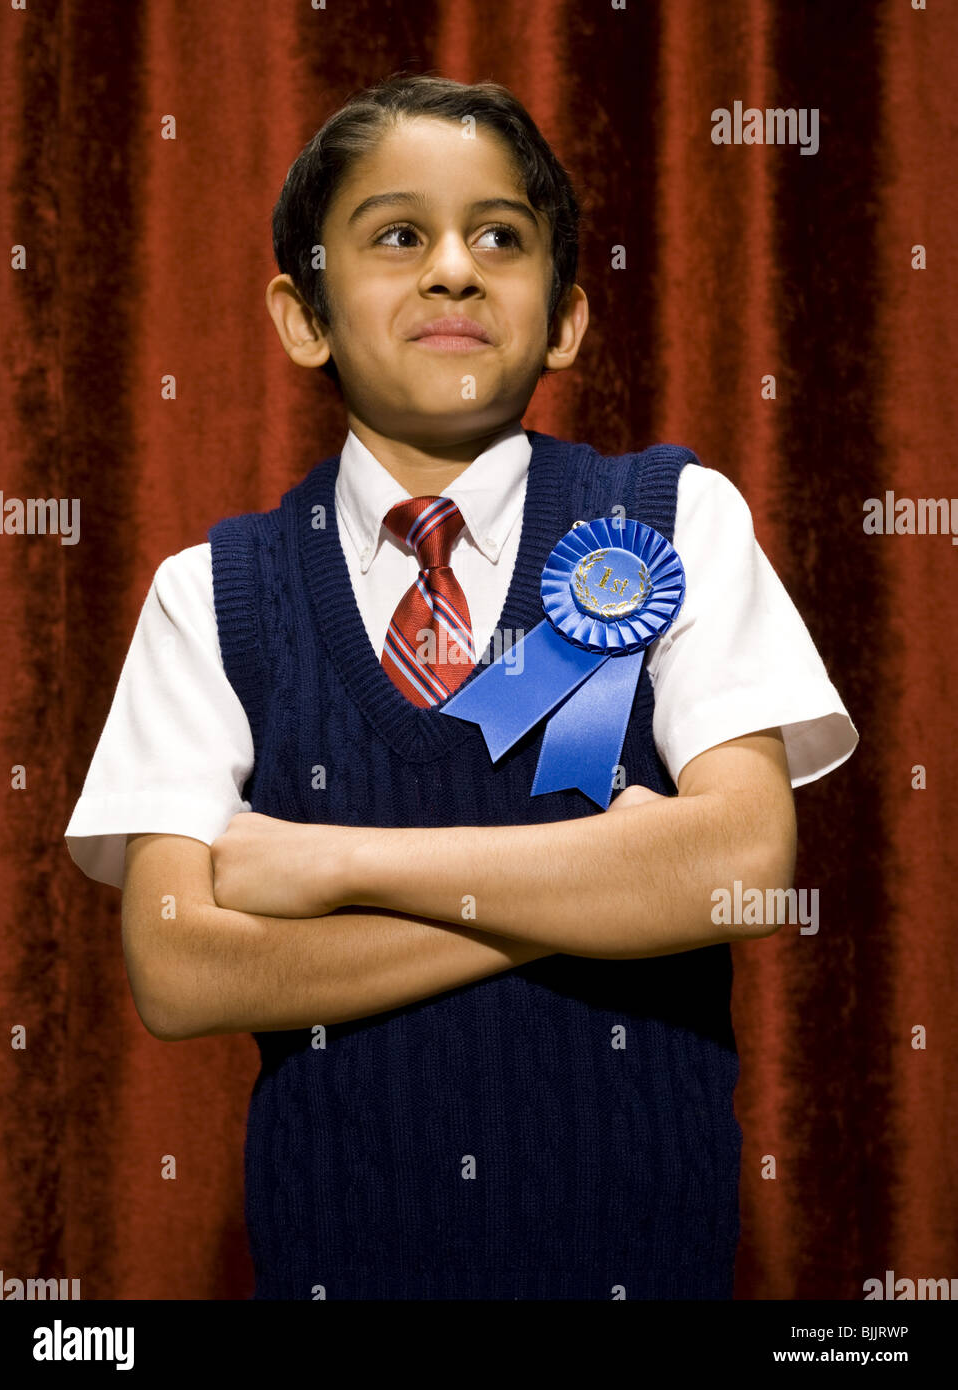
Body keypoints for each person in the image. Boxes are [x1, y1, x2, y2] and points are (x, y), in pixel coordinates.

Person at [65, 72, 858, 1300]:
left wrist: (330, 865)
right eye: (396, 235)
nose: (453, 269)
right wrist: (598, 889)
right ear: (301, 315)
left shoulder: (674, 518)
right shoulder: (208, 593)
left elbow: (744, 872)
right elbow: (177, 969)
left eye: (502, 235)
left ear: (568, 320)